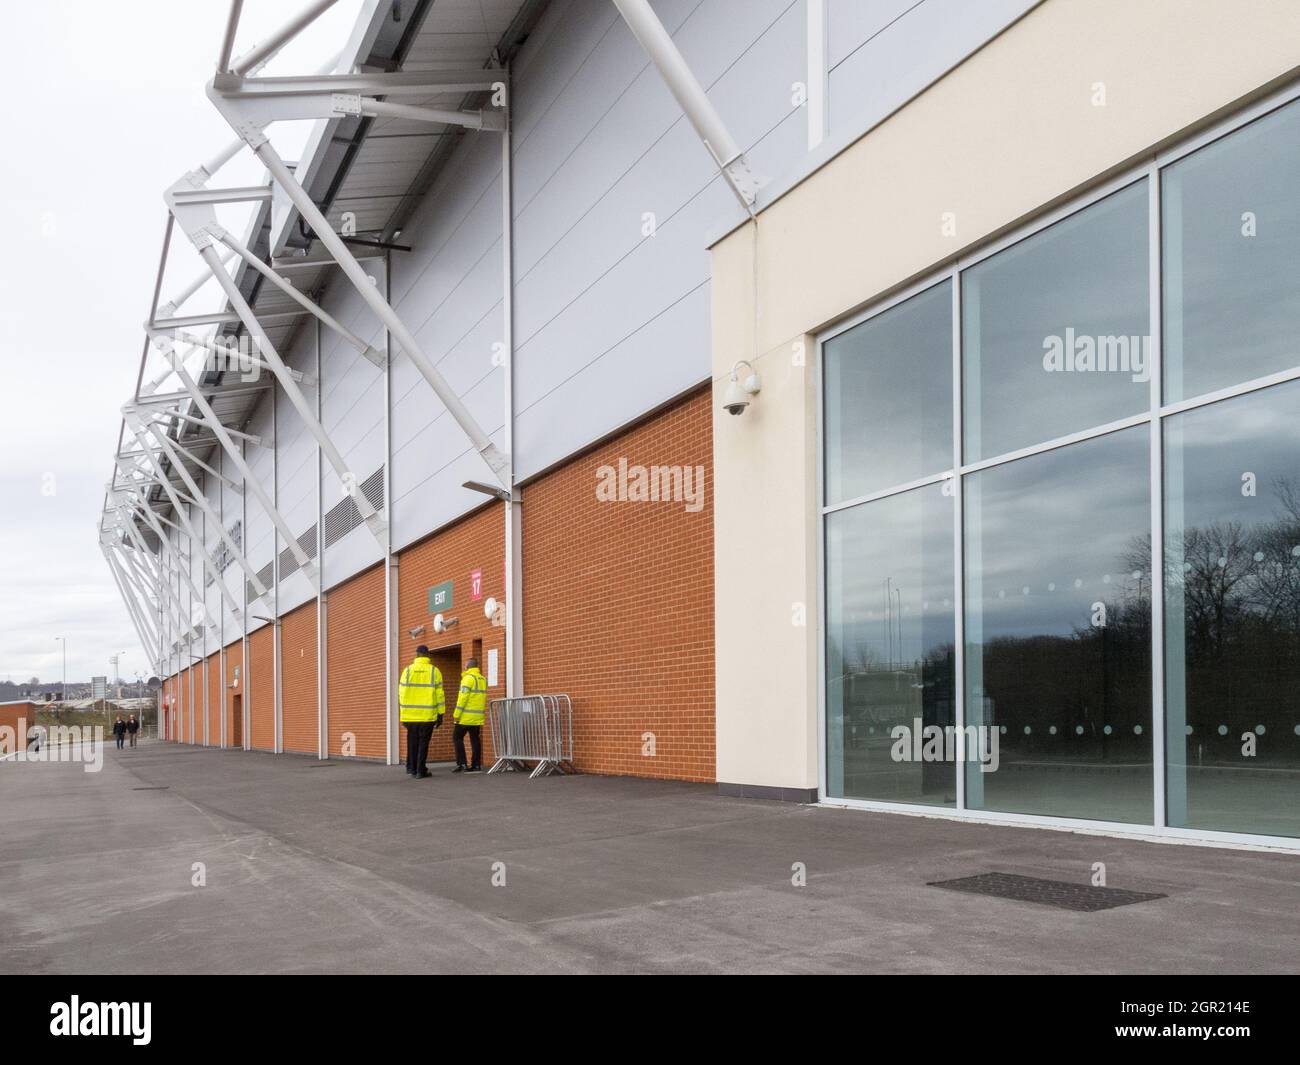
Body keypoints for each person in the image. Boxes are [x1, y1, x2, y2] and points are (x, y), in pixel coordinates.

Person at [398, 646, 443, 778]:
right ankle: (420, 770)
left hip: (410, 716)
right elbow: (439, 695)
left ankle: (411, 768)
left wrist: (403, 715)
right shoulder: (434, 671)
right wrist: (441, 714)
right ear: (427, 655)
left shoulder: (407, 671)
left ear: (416, 655)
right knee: (423, 743)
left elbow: (401, 694)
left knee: (412, 743)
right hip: (427, 716)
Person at [451, 657, 488, 773]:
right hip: (477, 717)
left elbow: (463, 698)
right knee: (475, 739)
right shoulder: (482, 679)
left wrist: (456, 714)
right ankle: (476, 765)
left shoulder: (467, 679)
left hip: (465, 717)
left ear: (467, 667)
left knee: (457, 737)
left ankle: (462, 763)